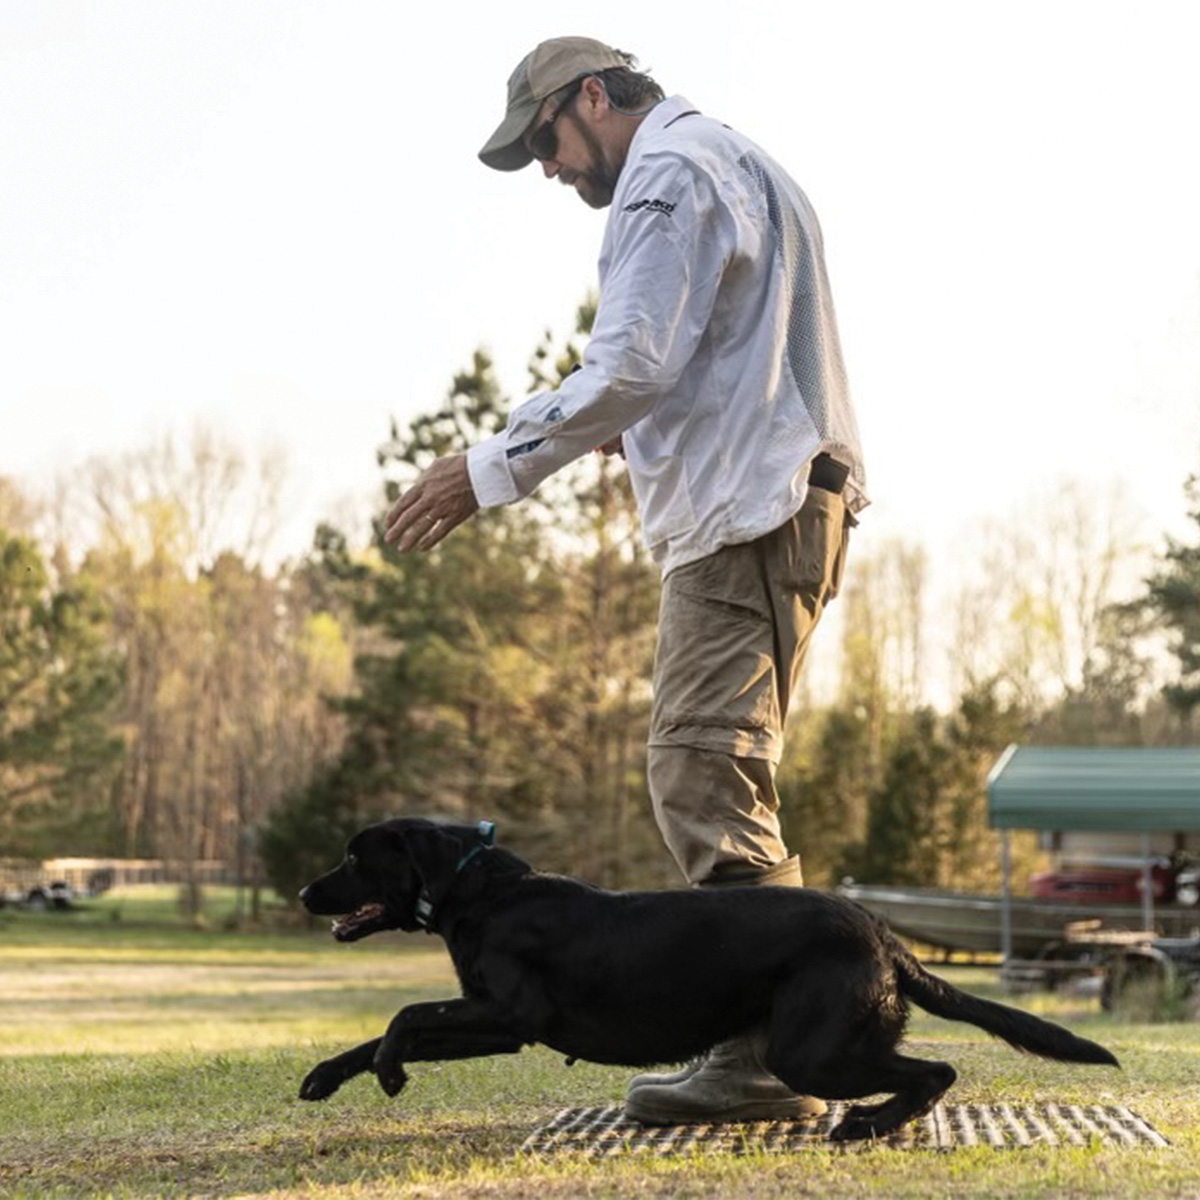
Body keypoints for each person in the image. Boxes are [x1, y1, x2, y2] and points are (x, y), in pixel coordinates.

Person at [384, 36, 867, 1124]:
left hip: (747, 514)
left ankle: (759, 1059)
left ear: (593, 99)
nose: (551, 169)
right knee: (719, 770)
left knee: (702, 769)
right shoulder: (740, 161)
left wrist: (487, 467)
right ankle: (776, 1040)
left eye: (546, 141)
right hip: (787, 501)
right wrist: (622, 428)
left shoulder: (661, 177)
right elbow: (698, 357)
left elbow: (634, 362)